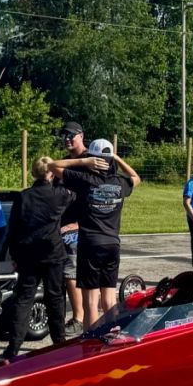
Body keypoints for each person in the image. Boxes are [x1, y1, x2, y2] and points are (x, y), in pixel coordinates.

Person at [51, 139, 141, 328]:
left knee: (91, 302)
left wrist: (83, 161)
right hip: (112, 244)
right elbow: (135, 177)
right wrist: (116, 157)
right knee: (109, 299)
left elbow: (52, 166)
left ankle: (90, 341)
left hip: (90, 244)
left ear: (93, 158)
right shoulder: (119, 183)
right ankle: (111, 335)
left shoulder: (85, 180)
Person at [4, 156, 75, 359]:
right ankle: (59, 341)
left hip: (27, 254)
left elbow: (13, 229)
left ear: (34, 173)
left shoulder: (23, 197)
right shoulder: (59, 194)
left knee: (23, 299)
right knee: (55, 298)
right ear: (52, 173)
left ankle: (13, 346)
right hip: (52, 252)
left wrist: (15, 255)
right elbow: (75, 192)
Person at [57, 121, 90, 334]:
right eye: (64, 136)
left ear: (81, 136)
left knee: (71, 271)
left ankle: (79, 317)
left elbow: (97, 194)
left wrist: (79, 223)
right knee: (62, 271)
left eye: (71, 135)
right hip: (61, 224)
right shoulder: (65, 162)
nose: (67, 139)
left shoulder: (89, 161)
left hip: (79, 226)